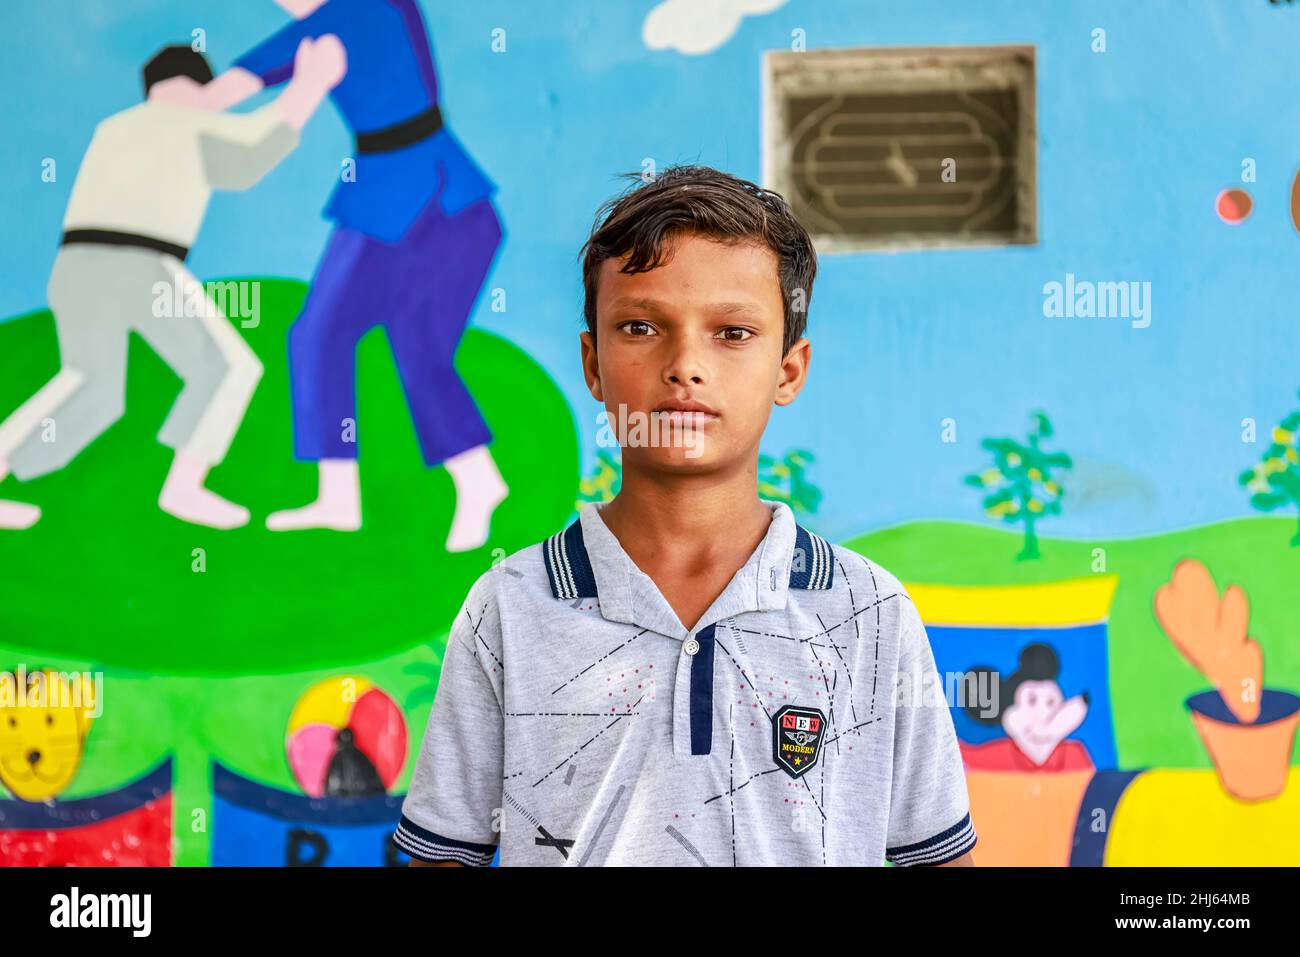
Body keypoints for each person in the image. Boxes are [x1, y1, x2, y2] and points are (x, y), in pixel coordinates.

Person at [393, 165, 978, 866]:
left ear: (789, 370)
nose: (685, 365)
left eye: (732, 332)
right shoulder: (511, 609)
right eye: (640, 325)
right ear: (594, 362)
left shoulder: (869, 614)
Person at [197, 0, 508, 550]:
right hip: (413, 202)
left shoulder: (348, 13)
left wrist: (173, 113)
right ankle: (349, 495)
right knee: (331, 335)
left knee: (383, 341)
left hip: (427, 203)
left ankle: (469, 482)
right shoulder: (346, 19)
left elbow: (224, 93)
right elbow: (231, 89)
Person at [0, 37, 346, 530]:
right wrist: (311, 85)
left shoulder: (116, 126)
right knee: (226, 368)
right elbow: (251, 152)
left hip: (75, 264)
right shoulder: (186, 119)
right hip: (140, 263)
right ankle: (184, 486)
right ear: (197, 88)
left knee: (88, 383)